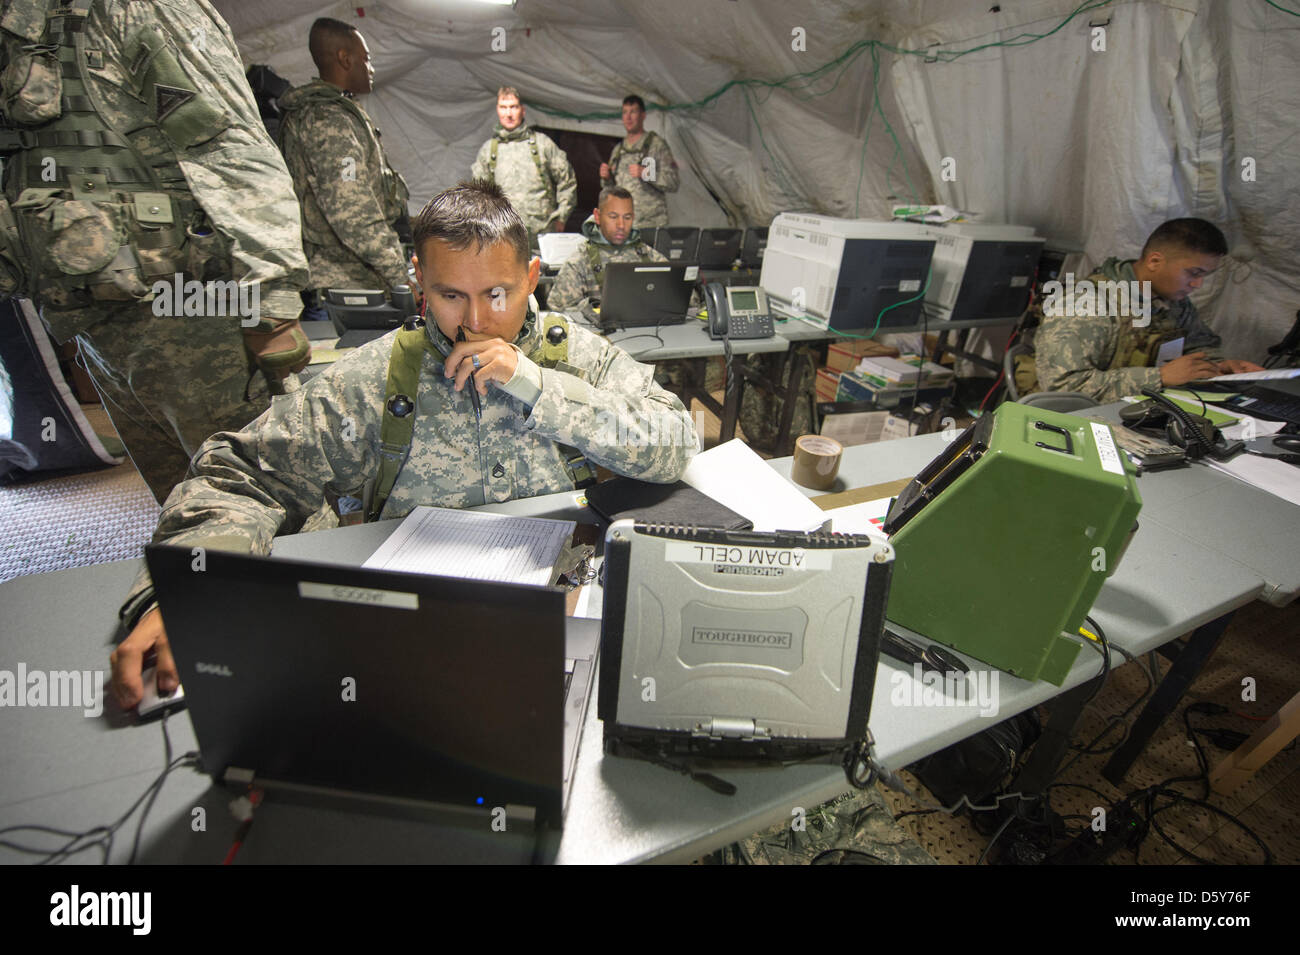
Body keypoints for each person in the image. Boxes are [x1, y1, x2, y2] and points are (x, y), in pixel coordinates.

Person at [110, 180, 699, 708]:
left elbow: (674, 441)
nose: (475, 320)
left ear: (531, 278)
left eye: (497, 293)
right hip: (414, 634)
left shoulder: (577, 357)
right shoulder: (375, 378)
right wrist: (190, 585)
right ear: (420, 281)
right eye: (450, 296)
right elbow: (238, 474)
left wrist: (538, 385)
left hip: (557, 623)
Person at [0, 0, 311, 504]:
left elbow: (230, 146)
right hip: (99, 318)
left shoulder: (134, 8)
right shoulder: (30, 22)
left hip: (192, 312)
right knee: (183, 504)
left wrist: (270, 301)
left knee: (264, 503)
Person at [1031, 218, 1264, 402]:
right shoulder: (1086, 305)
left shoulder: (1171, 301)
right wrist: (1159, 377)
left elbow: (1199, 345)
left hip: (1135, 410)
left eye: (1205, 276)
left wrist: (1218, 366)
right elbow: (1062, 387)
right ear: (1154, 262)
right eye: (1193, 273)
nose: (1198, 285)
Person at [278, 18, 410, 295]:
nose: (371, 69)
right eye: (367, 59)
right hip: (346, 282)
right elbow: (352, 212)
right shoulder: (329, 120)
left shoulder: (335, 112)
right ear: (345, 58)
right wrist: (399, 274)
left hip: (352, 277)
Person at [470, 87, 576, 241]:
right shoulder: (488, 151)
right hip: (504, 236)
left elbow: (567, 179)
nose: (508, 113)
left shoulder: (542, 144)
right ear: (497, 110)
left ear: (523, 110)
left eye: (513, 107)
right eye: (503, 107)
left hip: (543, 235)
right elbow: (478, 195)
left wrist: (562, 217)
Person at [547, 187, 667, 323]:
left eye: (627, 217)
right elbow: (557, 309)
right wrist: (592, 307)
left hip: (650, 333)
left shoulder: (649, 256)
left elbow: (685, 299)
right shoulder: (580, 260)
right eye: (613, 216)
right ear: (597, 216)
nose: (621, 225)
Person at [599, 95, 680, 229]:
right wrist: (606, 178)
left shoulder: (656, 145)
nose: (628, 117)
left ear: (643, 115)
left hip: (651, 225)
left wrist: (646, 173)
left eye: (633, 112)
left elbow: (673, 182)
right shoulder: (618, 150)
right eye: (625, 112)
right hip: (624, 227)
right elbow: (611, 190)